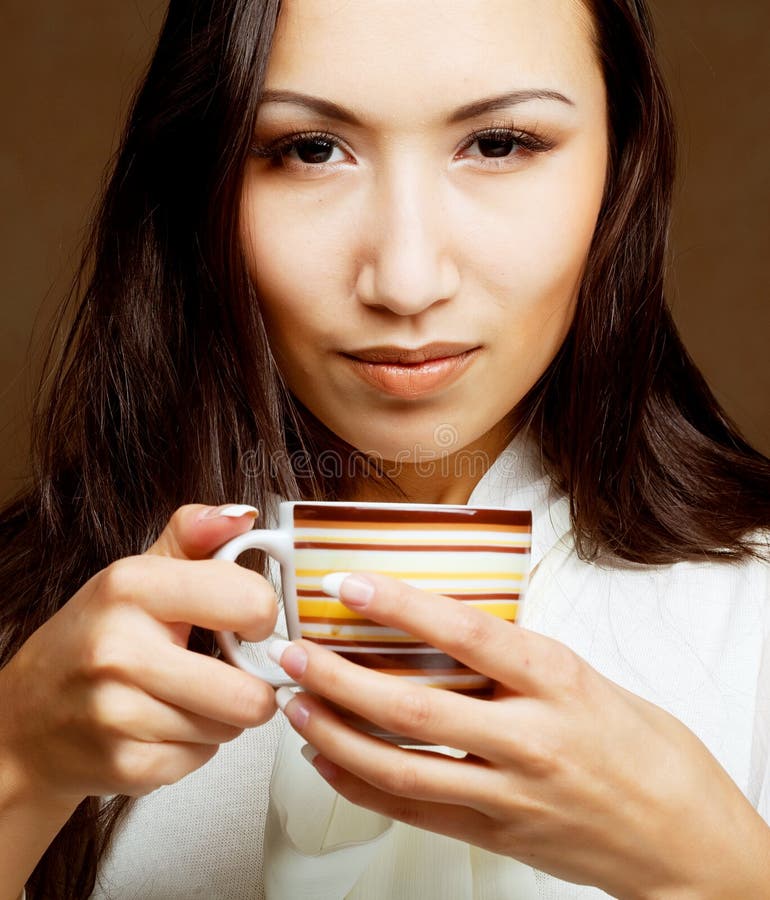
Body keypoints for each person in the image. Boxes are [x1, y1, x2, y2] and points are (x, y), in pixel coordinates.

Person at [1, 0, 769, 897]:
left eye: (500, 143)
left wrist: (717, 871)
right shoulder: (43, 632)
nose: (406, 281)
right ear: (199, 180)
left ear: (621, 165)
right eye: (310, 150)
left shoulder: (751, 613)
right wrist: (19, 765)